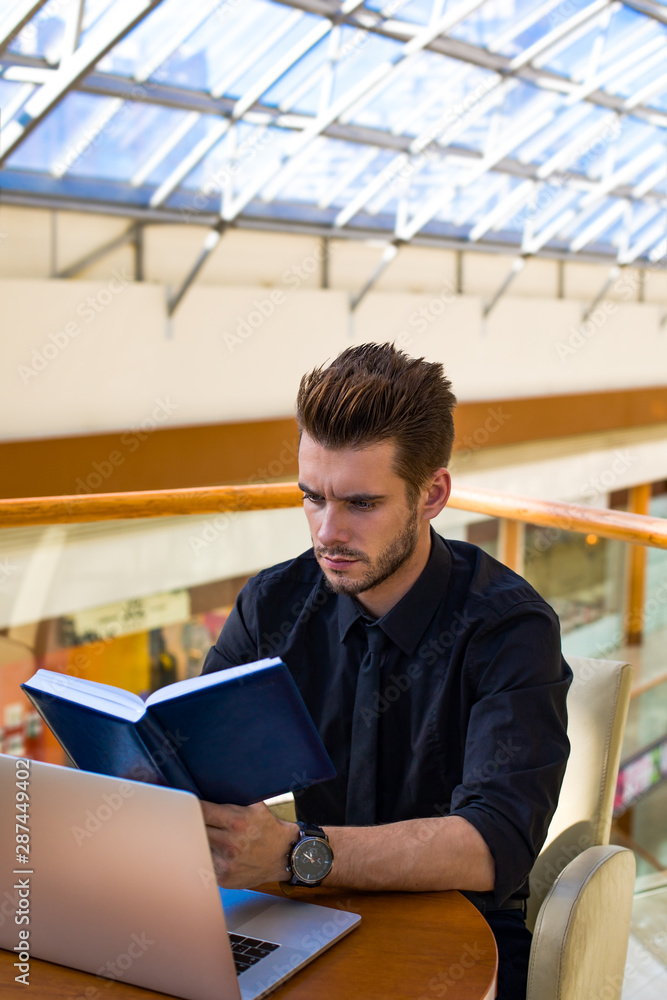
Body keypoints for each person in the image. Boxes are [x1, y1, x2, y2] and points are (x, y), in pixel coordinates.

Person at [201, 342, 572, 999]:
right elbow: (196, 760)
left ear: (431, 494)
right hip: (300, 922)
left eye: (360, 504)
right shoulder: (271, 605)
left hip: (461, 941)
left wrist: (294, 852)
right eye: (312, 498)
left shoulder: (509, 628)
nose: (326, 531)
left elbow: (493, 842)